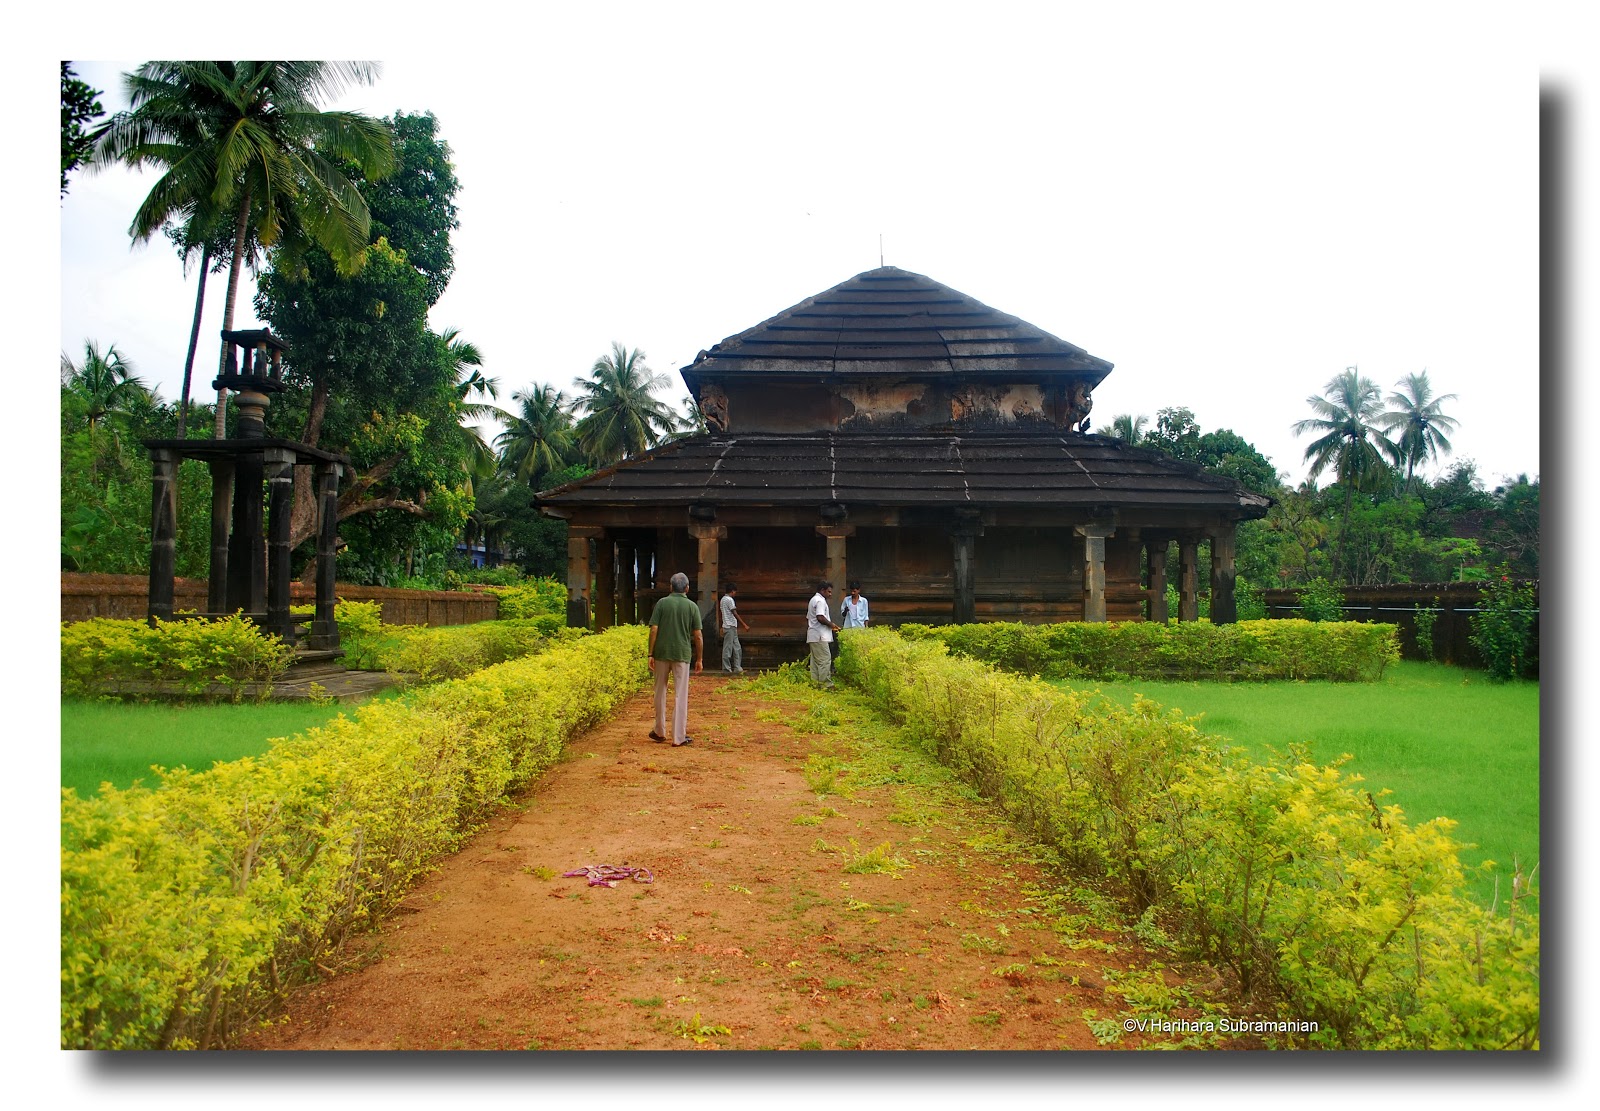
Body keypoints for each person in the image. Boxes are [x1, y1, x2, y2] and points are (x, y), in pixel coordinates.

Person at [647, 571, 702, 746]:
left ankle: (659, 730)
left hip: (662, 653)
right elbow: (698, 636)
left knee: (660, 692)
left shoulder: (662, 604)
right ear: (687, 588)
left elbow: (654, 629)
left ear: (670, 587)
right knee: (680, 695)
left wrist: (650, 653)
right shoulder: (692, 606)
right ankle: (678, 737)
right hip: (682, 654)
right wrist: (699, 659)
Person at [806, 580, 841, 687]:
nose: (830, 594)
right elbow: (820, 617)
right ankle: (826, 684)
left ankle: (815, 683)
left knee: (815, 662)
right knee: (825, 660)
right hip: (820, 635)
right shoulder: (820, 601)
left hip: (814, 635)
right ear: (822, 590)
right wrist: (832, 625)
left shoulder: (813, 600)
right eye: (829, 592)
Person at [718, 581, 750, 675]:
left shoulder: (723, 599)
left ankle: (737, 667)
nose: (735, 593)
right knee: (728, 648)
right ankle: (726, 669)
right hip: (730, 626)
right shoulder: (729, 600)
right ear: (732, 591)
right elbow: (734, 613)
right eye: (735, 592)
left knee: (737, 647)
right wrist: (744, 624)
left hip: (729, 626)